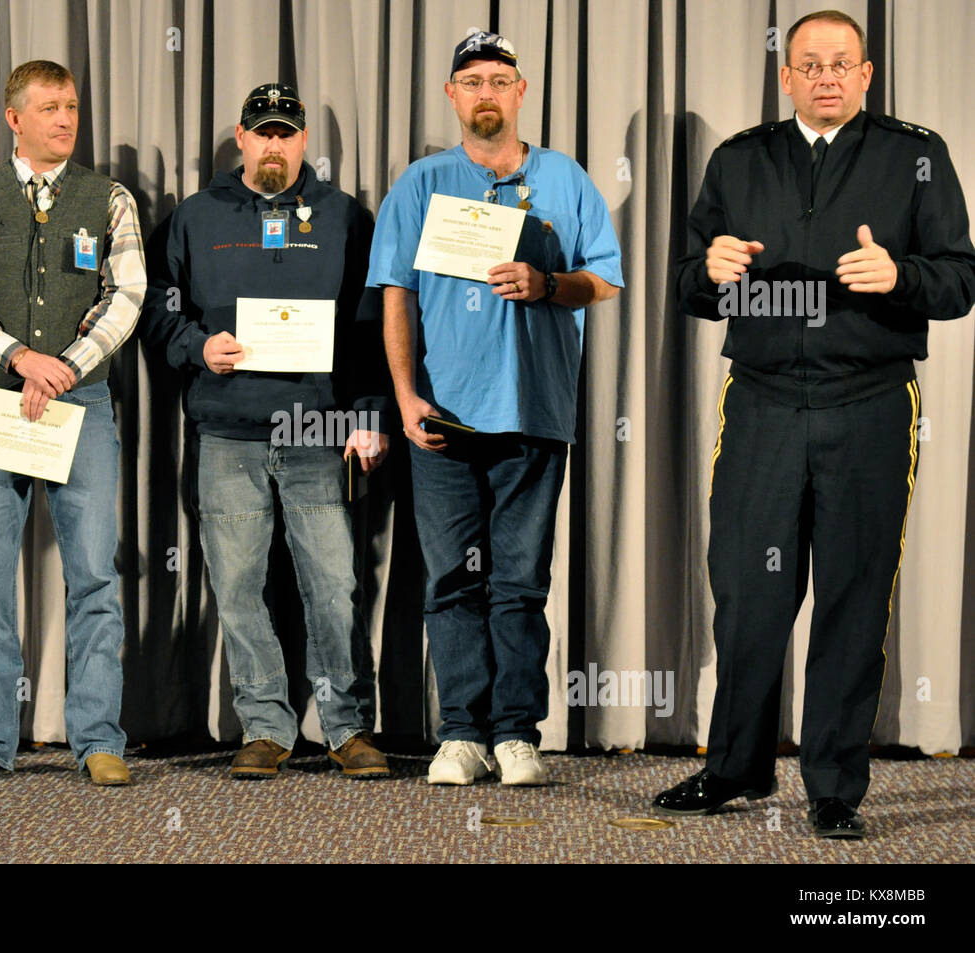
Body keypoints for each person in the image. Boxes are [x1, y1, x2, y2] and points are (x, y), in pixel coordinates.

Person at [655, 10, 975, 838]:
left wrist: (900, 273)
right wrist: (709, 269)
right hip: (760, 403)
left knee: (852, 596)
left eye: (843, 63)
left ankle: (834, 785)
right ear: (786, 74)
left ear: (866, 75)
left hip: (869, 404)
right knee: (749, 598)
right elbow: (687, 281)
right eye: (810, 63)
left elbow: (959, 283)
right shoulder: (738, 159)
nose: (826, 75)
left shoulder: (918, 154)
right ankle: (735, 767)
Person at [367, 32, 622, 785]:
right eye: (471, 81)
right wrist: (407, 396)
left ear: (520, 91)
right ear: (453, 95)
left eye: (499, 80)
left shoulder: (566, 180)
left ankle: (517, 732)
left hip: (534, 410)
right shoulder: (420, 182)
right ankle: (460, 733)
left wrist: (548, 284)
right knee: (451, 580)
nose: (486, 93)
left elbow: (605, 282)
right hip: (440, 416)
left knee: (520, 581)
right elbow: (395, 296)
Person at [142, 84, 392, 780]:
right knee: (238, 582)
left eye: (287, 133)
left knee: (333, 581)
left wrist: (369, 412)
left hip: (318, 427)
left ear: (304, 139)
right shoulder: (194, 217)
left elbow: (371, 324)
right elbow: (158, 311)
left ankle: (346, 726)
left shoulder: (346, 217)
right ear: (240, 138)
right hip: (226, 430)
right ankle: (264, 724)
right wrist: (197, 347)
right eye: (263, 133)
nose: (275, 144)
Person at [0, 60, 146, 785]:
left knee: (93, 578)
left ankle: (98, 739)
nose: (66, 118)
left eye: (73, 106)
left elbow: (128, 293)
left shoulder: (108, 198)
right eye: (49, 107)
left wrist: (67, 366)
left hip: (79, 402)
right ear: (13, 118)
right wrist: (19, 356)